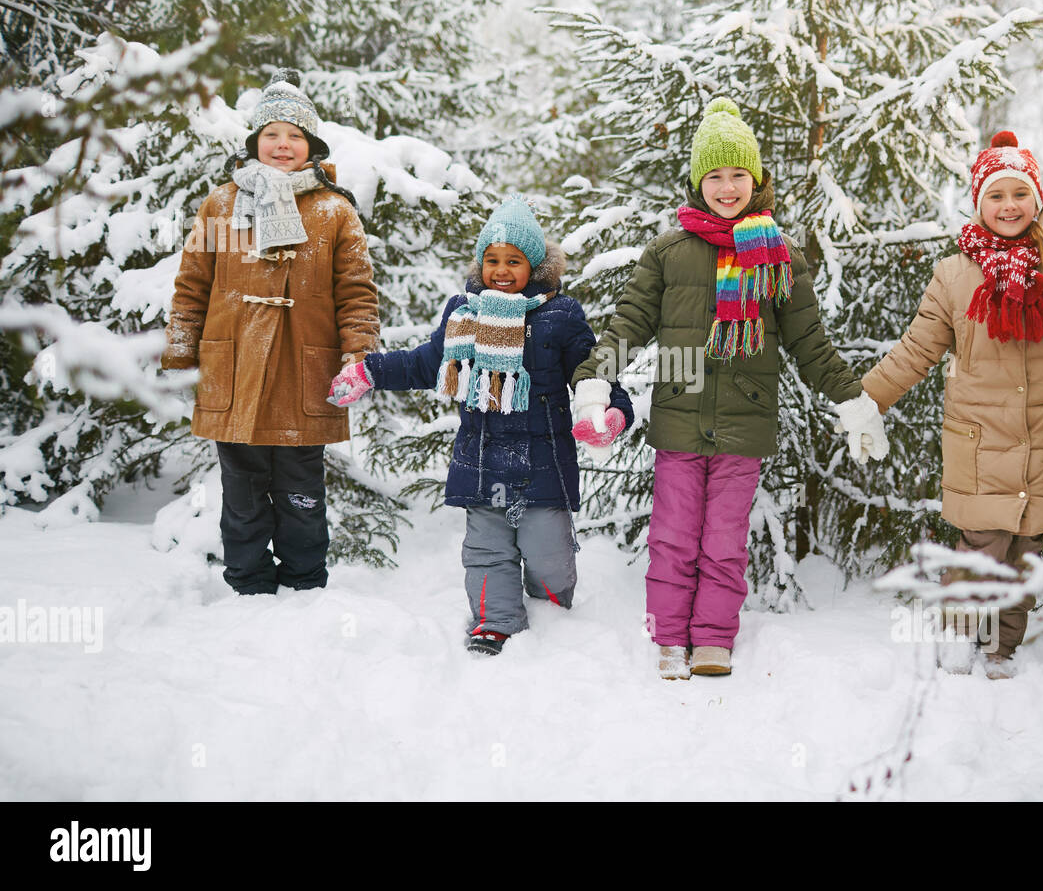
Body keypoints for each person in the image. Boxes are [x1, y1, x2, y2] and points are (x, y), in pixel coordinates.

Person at [570, 97, 886, 680]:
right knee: (672, 534)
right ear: (697, 182)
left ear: (757, 178)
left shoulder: (778, 257)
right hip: (679, 416)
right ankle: (669, 636)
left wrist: (852, 399)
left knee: (723, 539)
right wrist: (595, 378)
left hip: (745, 420)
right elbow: (629, 324)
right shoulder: (668, 252)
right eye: (713, 175)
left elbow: (809, 343)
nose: (726, 185)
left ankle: (713, 637)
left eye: (738, 173)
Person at [859, 131, 1043, 678]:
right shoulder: (955, 275)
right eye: (996, 196)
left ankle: (1002, 647)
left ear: (1038, 200)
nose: (1009, 206)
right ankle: (960, 639)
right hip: (978, 446)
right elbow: (916, 350)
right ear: (980, 205)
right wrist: (868, 402)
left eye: (1019, 194)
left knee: (1024, 553)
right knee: (980, 549)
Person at [328, 196, 634, 655]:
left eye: (514, 260)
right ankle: (496, 621)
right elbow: (425, 363)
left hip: (543, 463)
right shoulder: (463, 313)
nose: (502, 270)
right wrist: (370, 371)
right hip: (483, 461)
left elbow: (594, 371)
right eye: (492, 260)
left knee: (548, 555)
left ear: (536, 266)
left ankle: (555, 614)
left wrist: (613, 411)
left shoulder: (559, 316)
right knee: (487, 550)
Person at [161, 68, 380, 595]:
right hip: (234, 368)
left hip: (304, 370)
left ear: (312, 145)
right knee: (241, 490)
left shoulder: (334, 210)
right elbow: (193, 282)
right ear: (254, 144)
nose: (283, 145)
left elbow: (357, 292)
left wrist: (359, 355)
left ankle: (305, 587)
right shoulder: (221, 203)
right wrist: (181, 346)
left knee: (302, 490)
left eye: (295, 136)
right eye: (272, 135)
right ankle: (248, 584)